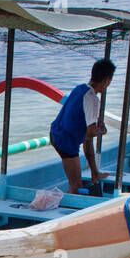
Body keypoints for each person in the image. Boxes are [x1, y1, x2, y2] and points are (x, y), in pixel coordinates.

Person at [49, 58, 116, 195]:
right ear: (106, 80)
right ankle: (68, 211)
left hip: (56, 133)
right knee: (76, 186)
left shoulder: (80, 88)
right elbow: (91, 133)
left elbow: (87, 139)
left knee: (86, 142)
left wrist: (94, 171)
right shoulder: (92, 98)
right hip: (66, 141)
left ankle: (95, 174)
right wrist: (101, 131)